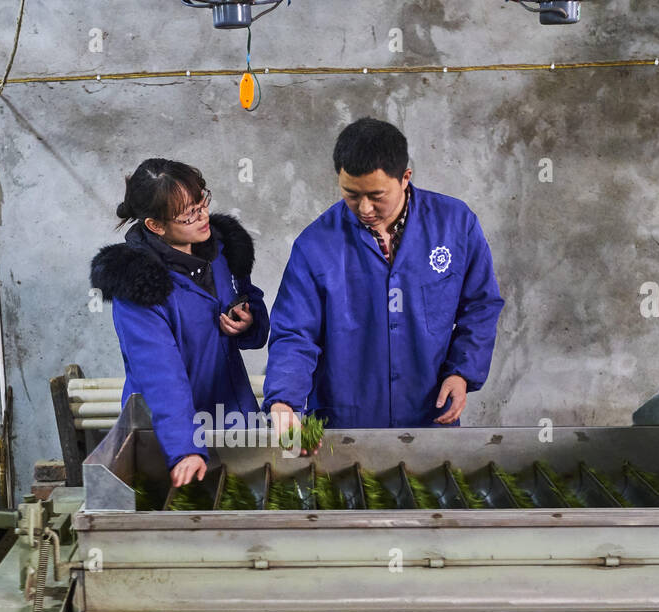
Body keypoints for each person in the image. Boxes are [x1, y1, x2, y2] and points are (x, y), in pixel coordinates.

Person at [263, 118, 504, 445]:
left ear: (405, 178)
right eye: (351, 194)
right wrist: (284, 401)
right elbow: (294, 332)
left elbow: (480, 306)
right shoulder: (316, 245)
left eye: (376, 196)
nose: (364, 208)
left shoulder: (455, 225)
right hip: (343, 425)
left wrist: (462, 372)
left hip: (427, 416)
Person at [91, 159, 269, 486]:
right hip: (171, 434)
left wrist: (249, 320)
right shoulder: (139, 289)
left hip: (235, 416)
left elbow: (247, 295)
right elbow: (161, 374)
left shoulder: (221, 251)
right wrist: (184, 447)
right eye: (188, 213)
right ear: (156, 226)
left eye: (202, 202)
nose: (202, 216)